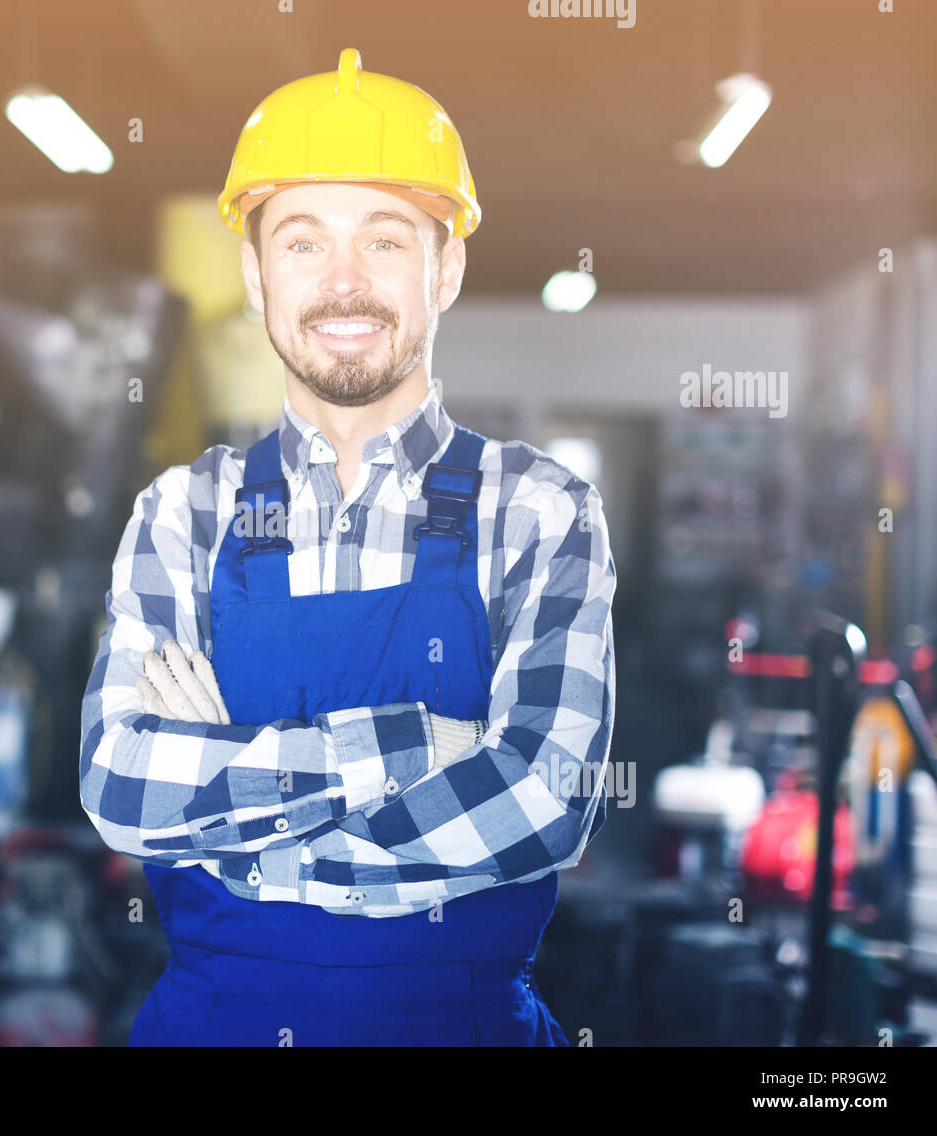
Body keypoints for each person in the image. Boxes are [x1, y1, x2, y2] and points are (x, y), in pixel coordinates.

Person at [80, 48, 616, 1046]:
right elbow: (122, 788)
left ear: (442, 266)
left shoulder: (540, 510)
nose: (341, 282)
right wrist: (413, 745)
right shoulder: (180, 514)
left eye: (382, 239)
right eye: (299, 242)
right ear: (253, 273)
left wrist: (234, 823)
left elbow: (545, 805)